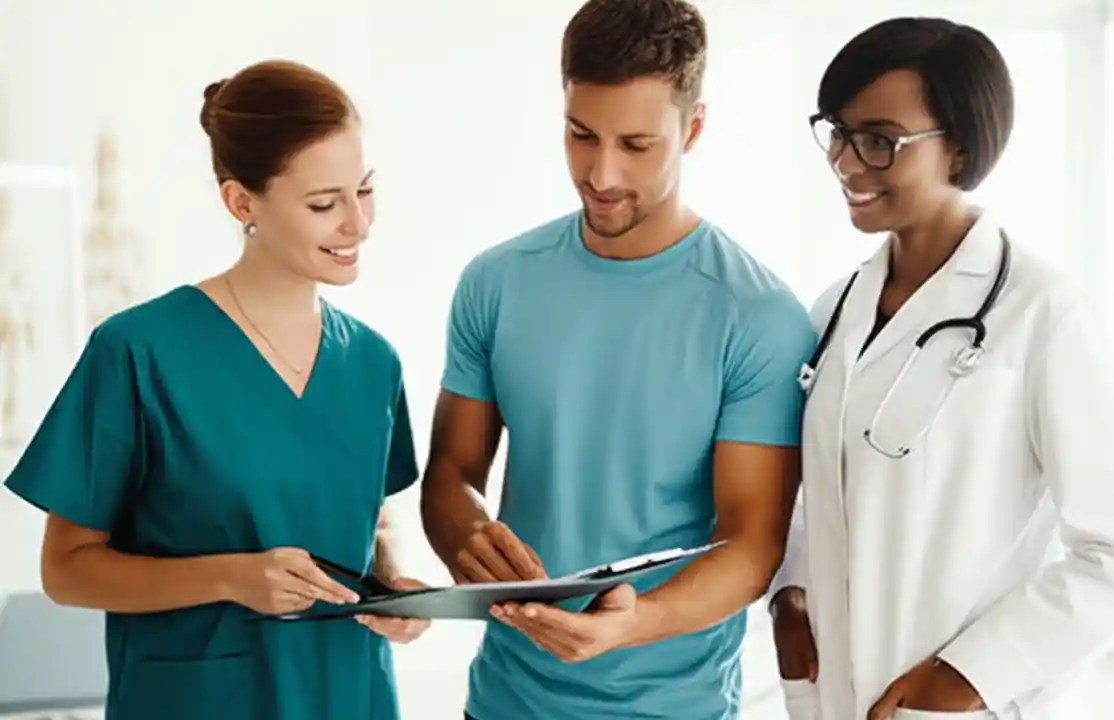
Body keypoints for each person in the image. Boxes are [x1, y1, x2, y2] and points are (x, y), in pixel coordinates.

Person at [417, 1, 816, 718]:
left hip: (673, 707)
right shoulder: (496, 282)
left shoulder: (758, 317)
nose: (601, 173)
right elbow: (450, 474)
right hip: (505, 699)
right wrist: (470, 539)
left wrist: (636, 622)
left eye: (636, 145)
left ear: (692, 129)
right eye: (580, 135)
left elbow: (754, 540)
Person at [2, 60, 429, 720]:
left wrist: (392, 589)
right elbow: (67, 569)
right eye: (324, 204)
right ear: (241, 202)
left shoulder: (373, 363)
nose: (358, 223)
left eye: (364, 191)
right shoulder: (140, 353)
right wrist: (230, 577)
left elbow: (365, 521)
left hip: (349, 693)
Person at [768, 18, 1114, 720]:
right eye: (838, 130)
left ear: (958, 148)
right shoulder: (836, 310)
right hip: (828, 698)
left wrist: (968, 676)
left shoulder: (1041, 312)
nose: (845, 161)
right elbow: (819, 490)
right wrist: (790, 601)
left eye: (879, 141)